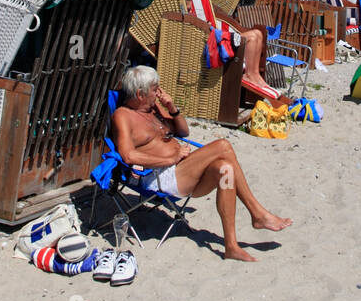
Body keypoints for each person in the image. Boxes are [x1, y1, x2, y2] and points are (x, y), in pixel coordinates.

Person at [111, 66, 292, 262]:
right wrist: (169, 159)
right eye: (155, 89)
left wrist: (172, 108)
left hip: (182, 170)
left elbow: (183, 132)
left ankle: (231, 246)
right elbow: (128, 155)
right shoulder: (123, 116)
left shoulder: (152, 109)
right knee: (223, 146)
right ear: (140, 94)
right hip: (160, 176)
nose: (158, 92)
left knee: (226, 169)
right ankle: (257, 213)